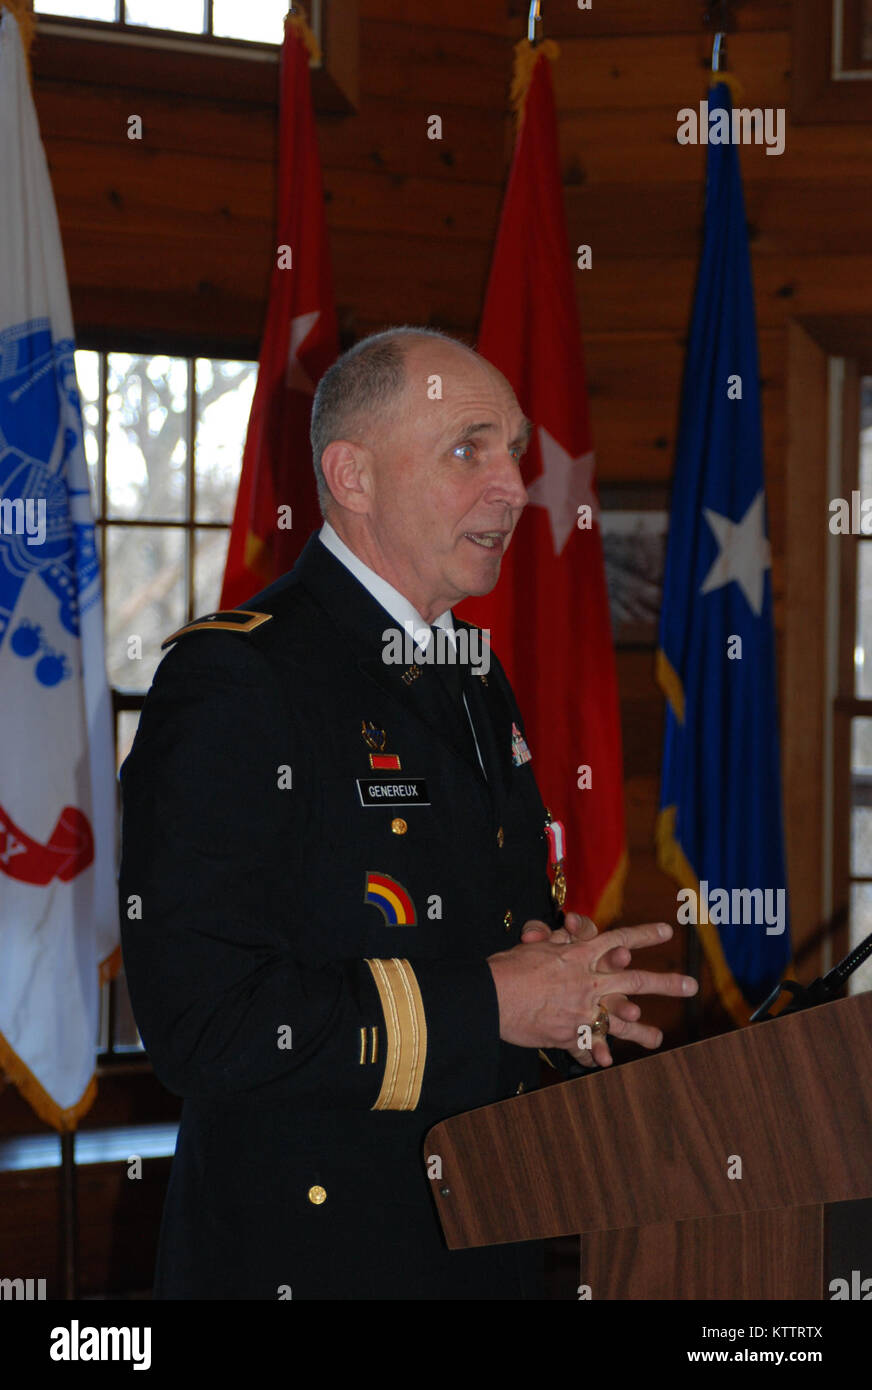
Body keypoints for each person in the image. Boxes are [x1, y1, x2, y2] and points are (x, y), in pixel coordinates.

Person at [118, 326, 698, 1300]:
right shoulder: (239, 676)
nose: (513, 485)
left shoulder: (470, 673)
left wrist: (554, 986)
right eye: (468, 449)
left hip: (486, 1228)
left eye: (511, 449)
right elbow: (203, 1023)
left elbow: (472, 934)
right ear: (351, 474)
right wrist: (495, 1000)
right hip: (310, 1256)